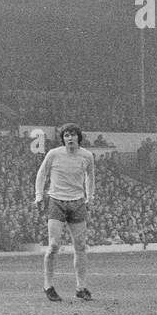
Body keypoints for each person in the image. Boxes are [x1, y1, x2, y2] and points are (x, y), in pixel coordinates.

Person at [34, 123, 96, 302]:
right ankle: (48, 285)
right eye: (66, 135)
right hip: (56, 201)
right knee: (53, 246)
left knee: (81, 246)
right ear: (63, 138)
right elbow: (41, 173)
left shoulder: (87, 156)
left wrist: (89, 198)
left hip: (77, 203)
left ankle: (81, 287)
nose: (69, 138)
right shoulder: (54, 154)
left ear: (78, 137)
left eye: (73, 135)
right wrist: (39, 195)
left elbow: (90, 176)